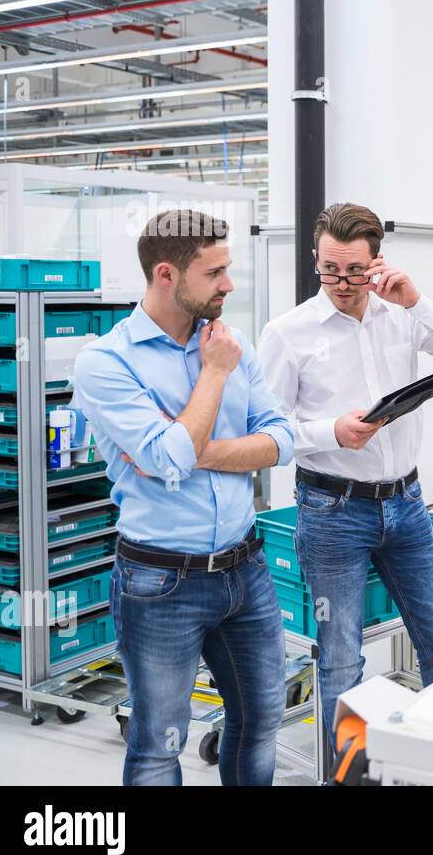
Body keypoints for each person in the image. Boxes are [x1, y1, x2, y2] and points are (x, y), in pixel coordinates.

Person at [72, 210, 295, 786]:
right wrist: (215, 375)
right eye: (215, 272)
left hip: (246, 571)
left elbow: (282, 439)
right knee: (158, 742)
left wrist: (190, 445)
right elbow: (164, 457)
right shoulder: (106, 362)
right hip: (159, 583)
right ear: (167, 274)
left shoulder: (232, 339)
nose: (229, 284)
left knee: (262, 717)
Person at [257, 202, 433, 753]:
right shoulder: (288, 333)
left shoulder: (401, 314)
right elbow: (264, 431)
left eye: (355, 271)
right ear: (315, 259)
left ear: (377, 261)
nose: (342, 282)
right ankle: (346, 771)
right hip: (331, 511)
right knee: (341, 655)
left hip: (406, 503)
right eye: (330, 269)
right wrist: (330, 432)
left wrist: (416, 300)